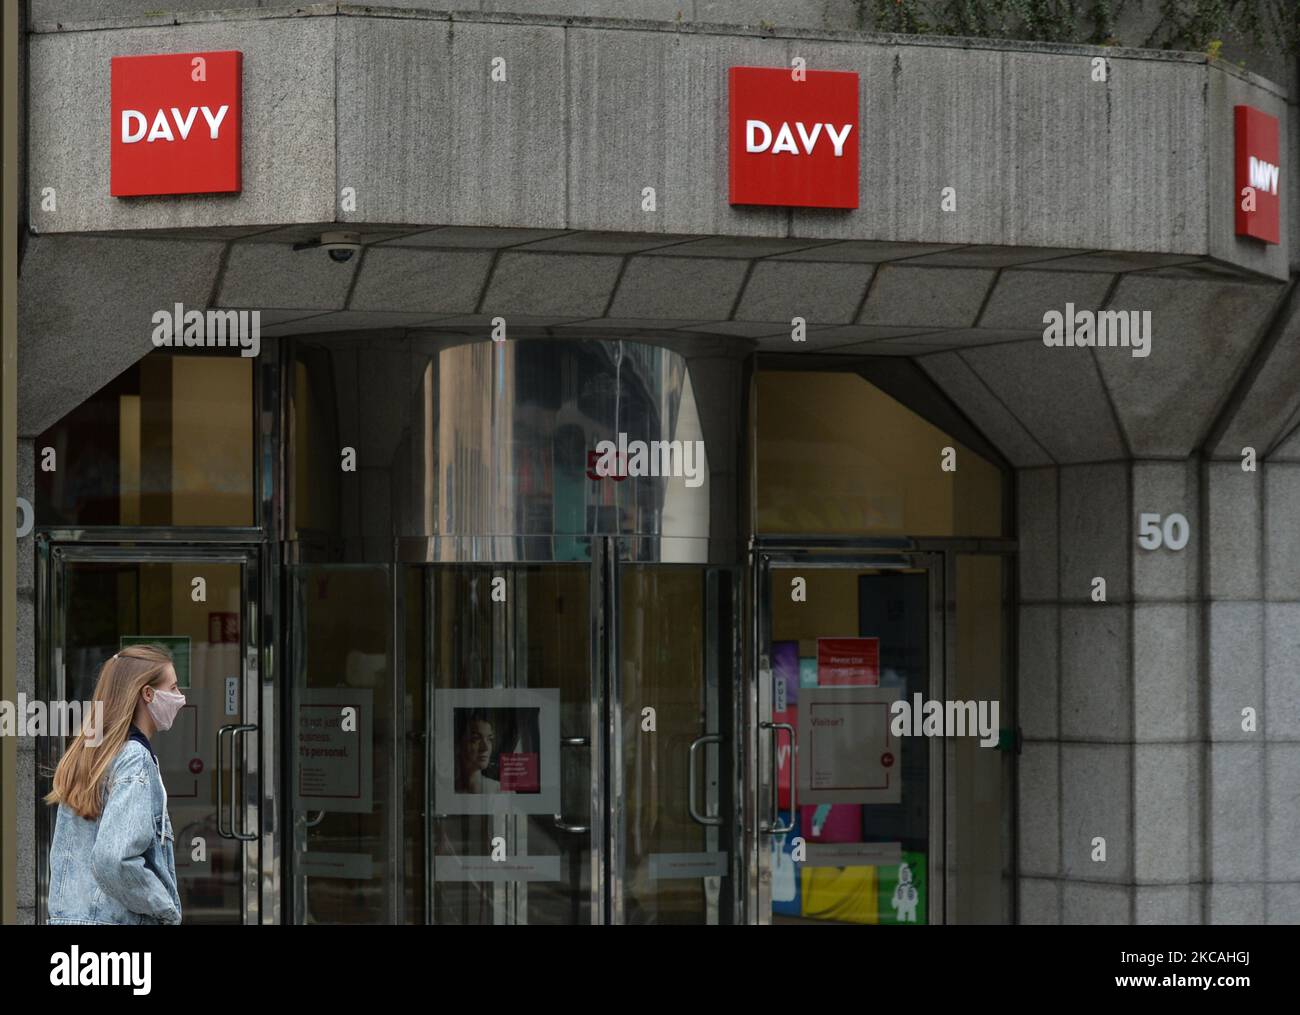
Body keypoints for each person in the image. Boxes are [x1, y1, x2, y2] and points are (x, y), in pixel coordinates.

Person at [44, 644, 186, 925]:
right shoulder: (134, 758)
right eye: (173, 688)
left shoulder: (89, 756)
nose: (180, 698)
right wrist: (166, 909)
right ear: (148, 694)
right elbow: (113, 859)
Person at [453, 710, 500, 795]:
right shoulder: (447, 790)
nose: (485, 748)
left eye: (490, 739)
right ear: (458, 744)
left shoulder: (500, 791)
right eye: (476, 739)